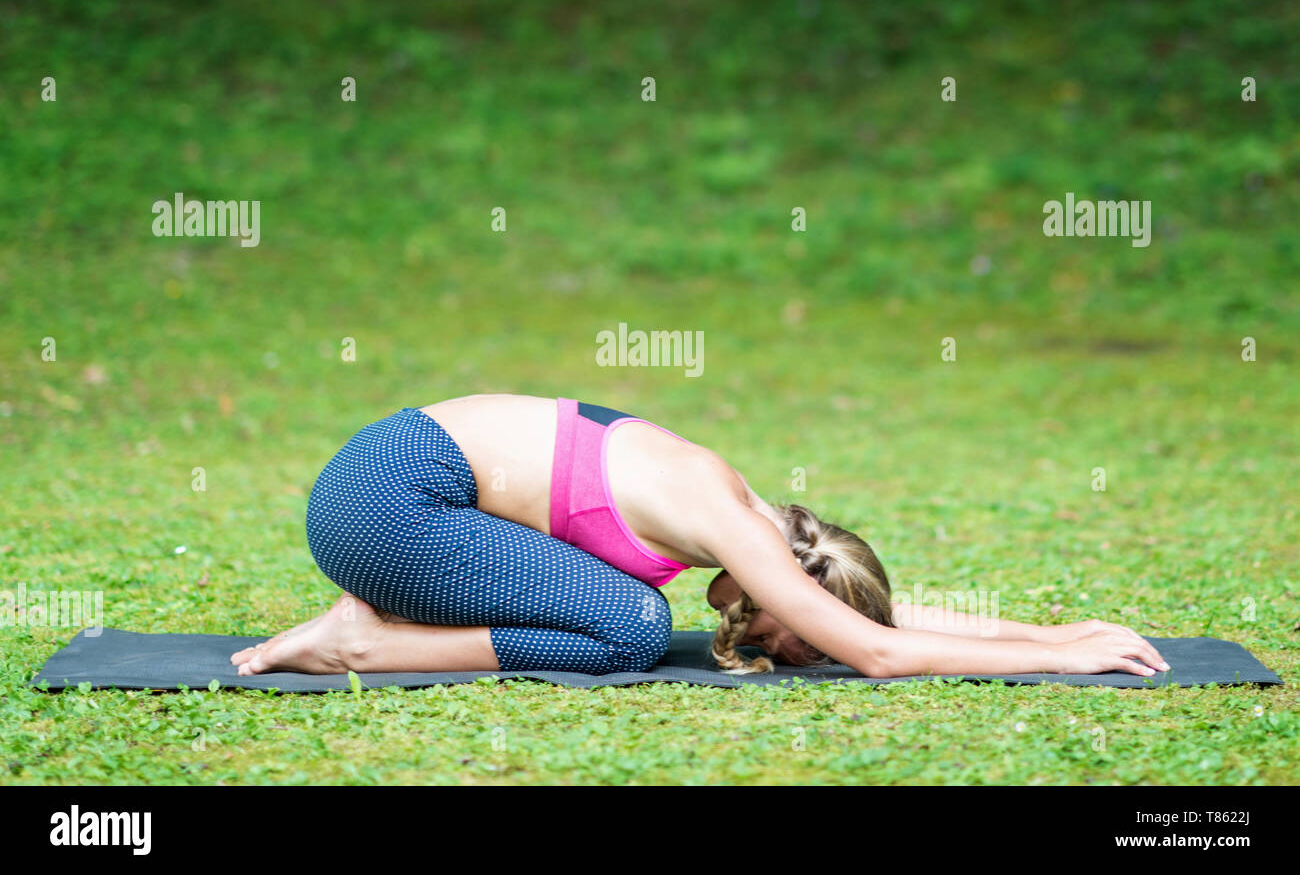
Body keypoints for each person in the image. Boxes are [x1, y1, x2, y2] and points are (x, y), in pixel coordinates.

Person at [230, 394, 1169, 679]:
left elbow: (878, 617)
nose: (753, 642)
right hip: (389, 505)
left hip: (394, 493)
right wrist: (1068, 664)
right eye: (783, 640)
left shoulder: (760, 528)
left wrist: (1057, 637)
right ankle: (363, 641)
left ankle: (367, 630)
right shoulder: (740, 531)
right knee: (634, 626)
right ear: (787, 591)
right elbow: (879, 651)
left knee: (627, 617)